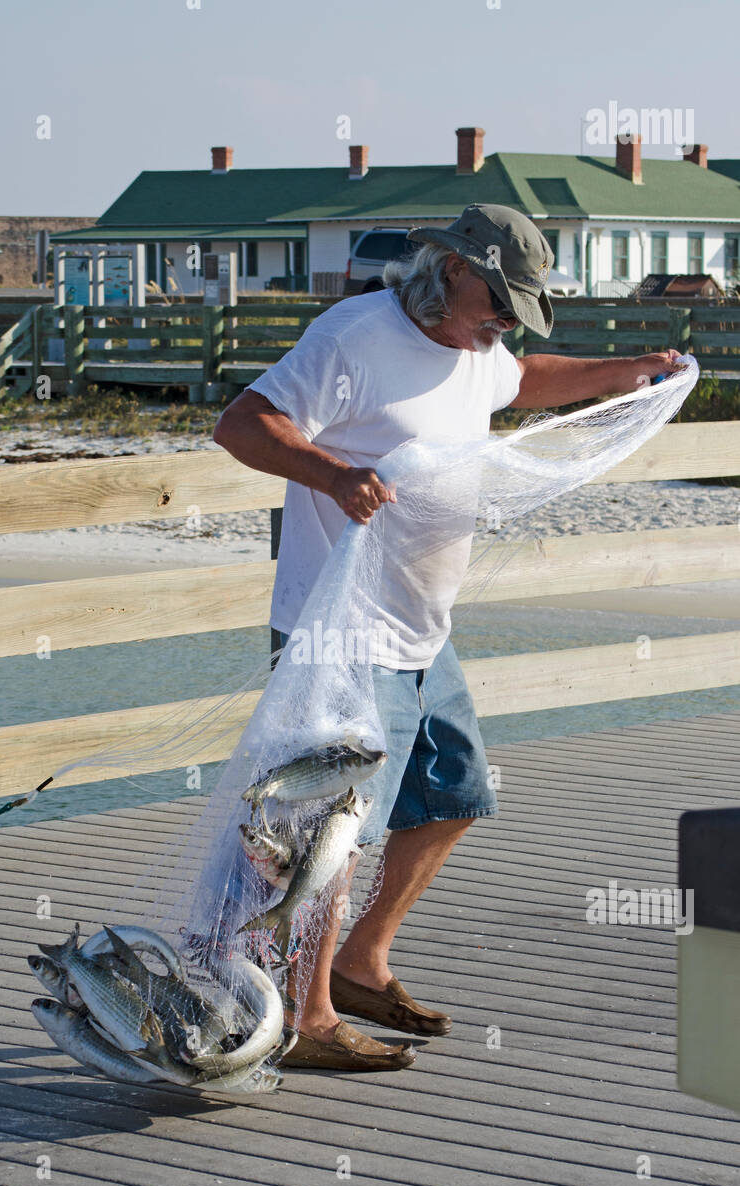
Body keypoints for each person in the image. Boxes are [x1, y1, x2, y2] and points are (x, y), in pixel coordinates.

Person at [213, 203, 684, 1071]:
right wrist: (332, 473)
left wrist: (630, 371)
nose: (506, 322)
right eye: (500, 301)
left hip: (424, 629)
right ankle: (310, 1018)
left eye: (518, 311)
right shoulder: (354, 335)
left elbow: (523, 380)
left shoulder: (479, 349)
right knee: (335, 830)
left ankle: (360, 961)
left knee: (457, 793)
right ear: (454, 268)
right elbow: (242, 423)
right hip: (342, 633)